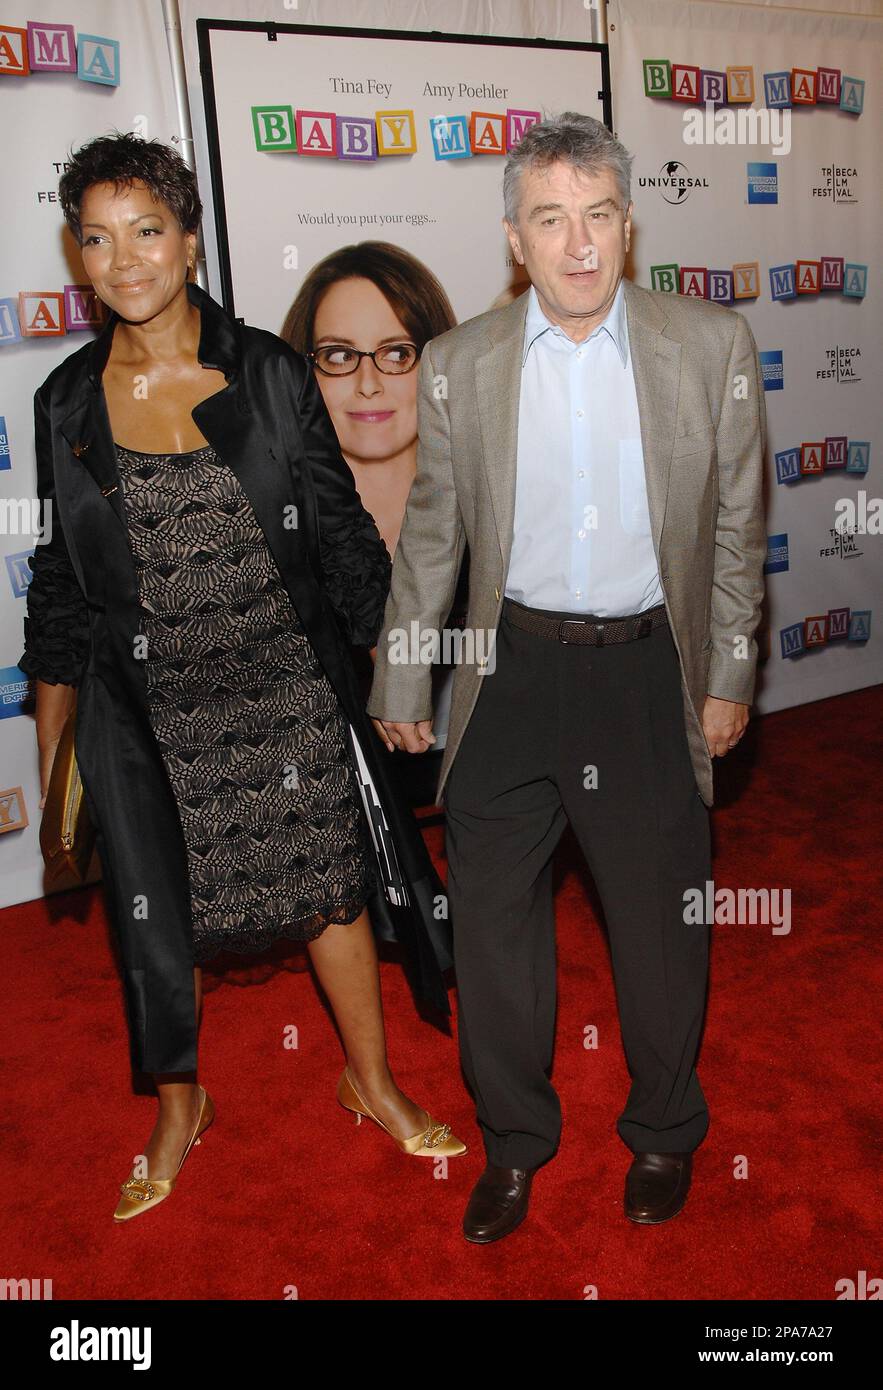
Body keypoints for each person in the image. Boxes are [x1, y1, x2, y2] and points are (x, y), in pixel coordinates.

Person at [20, 133, 465, 1225]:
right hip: (149, 710)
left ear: (188, 239)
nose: (124, 261)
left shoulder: (268, 374)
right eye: (96, 237)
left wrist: (401, 676)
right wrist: (53, 747)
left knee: (331, 895)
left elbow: (351, 550)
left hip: (285, 694)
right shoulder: (65, 402)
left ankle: (373, 1080)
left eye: (147, 231)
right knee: (152, 919)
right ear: (77, 256)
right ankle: (181, 1108)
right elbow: (62, 585)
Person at [367, 112, 766, 1243]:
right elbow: (433, 534)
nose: (578, 244)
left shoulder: (707, 346)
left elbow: (737, 532)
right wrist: (404, 673)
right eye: (552, 219)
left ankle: (660, 1131)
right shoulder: (459, 365)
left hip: (645, 673)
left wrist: (729, 671)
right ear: (514, 237)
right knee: (492, 930)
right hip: (506, 675)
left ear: (628, 225)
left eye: (598, 216)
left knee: (656, 929)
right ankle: (513, 1143)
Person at [282, 244, 468, 808]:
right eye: (338, 356)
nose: (367, 384)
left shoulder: (497, 515)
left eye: (396, 353)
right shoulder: (270, 532)